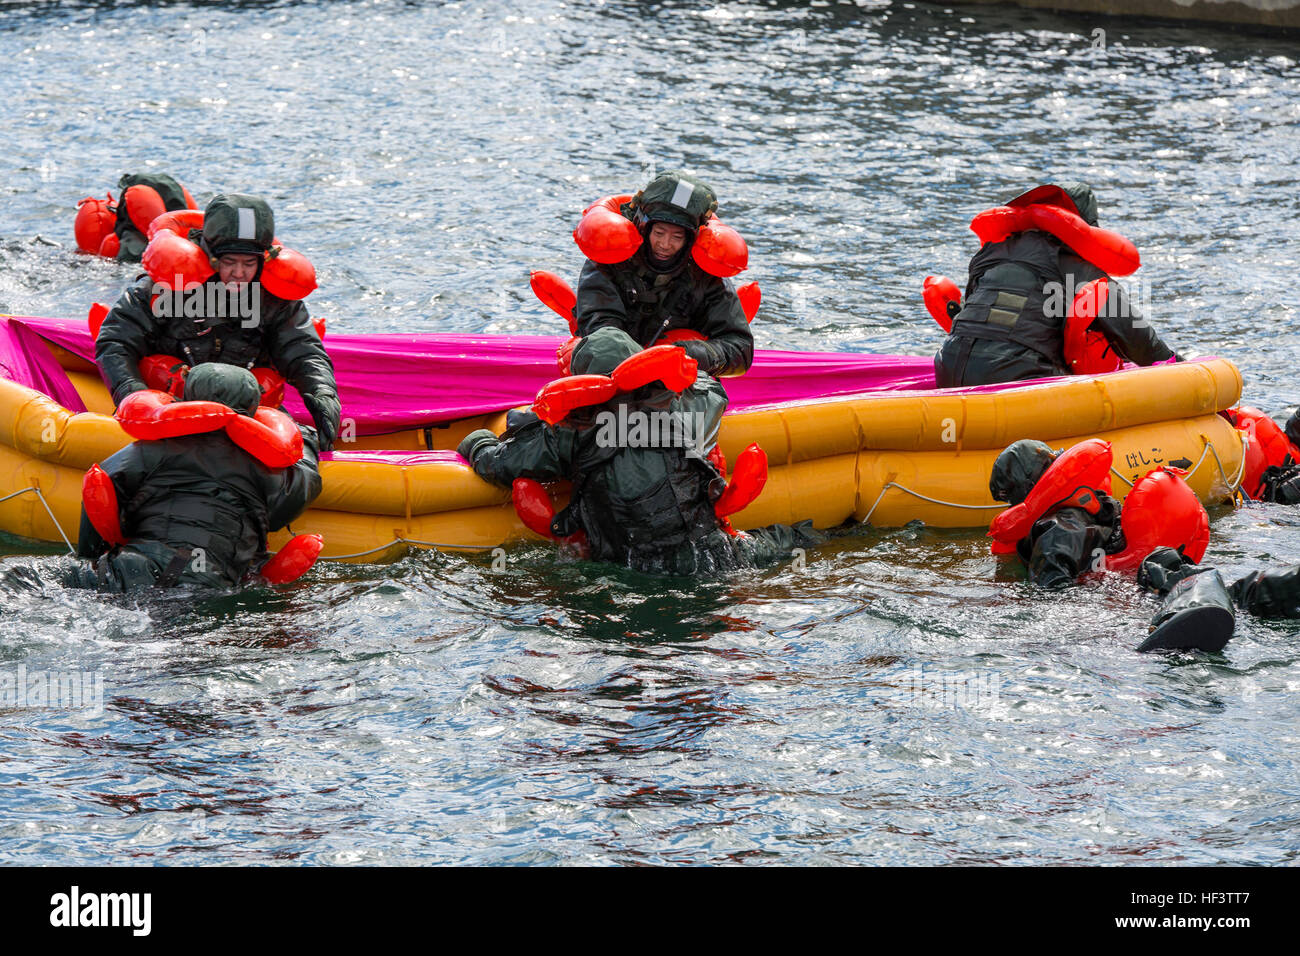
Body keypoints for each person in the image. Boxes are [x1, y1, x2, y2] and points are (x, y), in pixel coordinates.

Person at [457, 328, 815, 575]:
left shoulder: (568, 430)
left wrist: (476, 439)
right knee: (798, 538)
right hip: (715, 557)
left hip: (626, 567)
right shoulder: (688, 406)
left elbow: (499, 465)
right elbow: (713, 389)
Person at [95, 193, 342, 448]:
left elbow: (303, 350)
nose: (239, 273)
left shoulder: (276, 297)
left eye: (249, 263)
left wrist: (322, 393)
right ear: (209, 256)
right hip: (168, 408)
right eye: (229, 262)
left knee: (300, 452)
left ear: (264, 259)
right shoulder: (166, 285)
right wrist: (131, 394)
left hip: (247, 411)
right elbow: (116, 341)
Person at [66, 364, 322, 591]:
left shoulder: (153, 449)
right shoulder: (268, 468)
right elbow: (299, 494)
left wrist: (92, 555)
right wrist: (306, 440)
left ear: (186, 399)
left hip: (133, 565)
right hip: (206, 582)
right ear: (254, 408)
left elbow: (100, 488)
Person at [934, 182, 1179, 388]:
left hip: (947, 368)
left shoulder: (988, 255)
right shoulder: (1081, 270)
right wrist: (1186, 369)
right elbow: (1144, 347)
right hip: (1015, 376)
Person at [574, 171, 753, 377]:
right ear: (643, 225)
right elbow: (598, 327)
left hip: (677, 376)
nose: (665, 244)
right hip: (607, 369)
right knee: (606, 344)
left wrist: (689, 355)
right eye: (659, 233)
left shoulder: (705, 276)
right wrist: (638, 365)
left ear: (691, 238)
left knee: (703, 391)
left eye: (677, 236)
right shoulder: (609, 256)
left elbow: (740, 348)